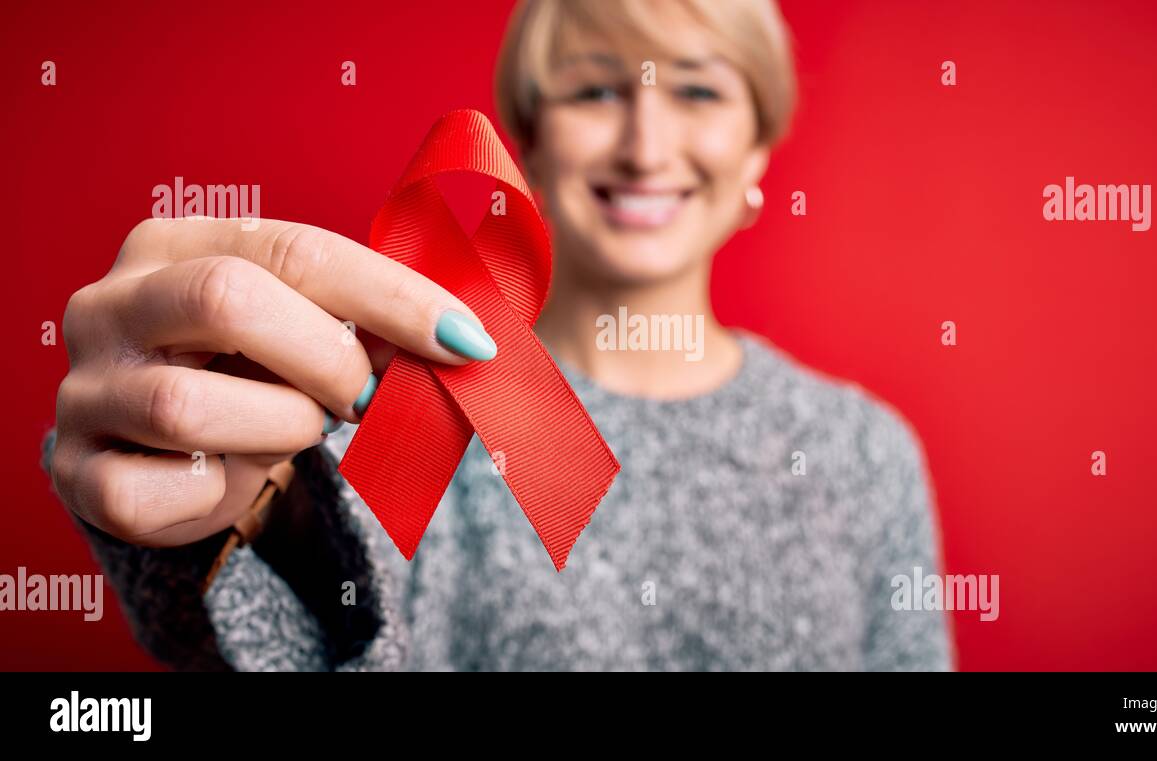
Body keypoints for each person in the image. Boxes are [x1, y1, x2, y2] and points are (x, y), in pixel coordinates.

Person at [45, 0, 953, 670]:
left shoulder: (864, 451)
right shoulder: (399, 411)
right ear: (530, 139)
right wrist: (226, 518)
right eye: (597, 90)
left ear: (758, 149)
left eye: (698, 91)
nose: (645, 144)